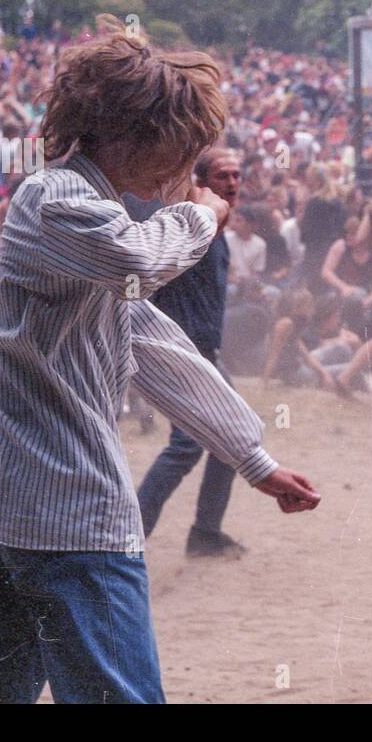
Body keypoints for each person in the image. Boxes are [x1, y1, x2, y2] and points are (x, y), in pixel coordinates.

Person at [0, 16, 321, 704]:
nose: (185, 167)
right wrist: (203, 217)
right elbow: (138, 260)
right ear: (137, 134)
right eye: (181, 147)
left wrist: (254, 459)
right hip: (69, 516)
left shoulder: (87, 220)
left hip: (12, 517)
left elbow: (155, 351)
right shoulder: (56, 200)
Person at [124, 147, 250, 558]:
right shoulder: (191, 229)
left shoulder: (216, 232)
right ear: (201, 184)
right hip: (183, 352)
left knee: (229, 437)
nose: (231, 183)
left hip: (201, 352)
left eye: (236, 176)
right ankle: (133, 539)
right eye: (222, 176)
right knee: (192, 444)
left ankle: (202, 532)